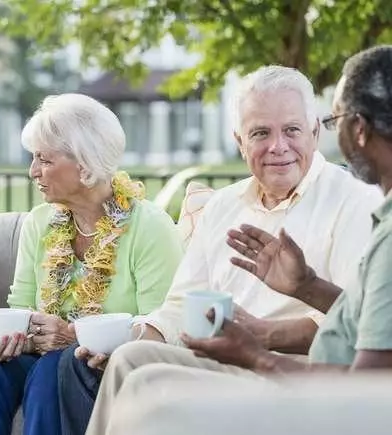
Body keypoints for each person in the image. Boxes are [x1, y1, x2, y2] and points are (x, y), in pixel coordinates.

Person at [86, 45, 392, 435]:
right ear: (239, 141)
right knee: (131, 356)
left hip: (303, 381)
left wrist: (259, 347)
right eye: (261, 133)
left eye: (295, 130)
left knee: (146, 383)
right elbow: (184, 304)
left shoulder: (361, 206)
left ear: (323, 131)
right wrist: (307, 286)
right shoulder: (224, 205)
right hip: (239, 360)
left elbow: (370, 388)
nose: (278, 146)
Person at [0, 93, 184, 435]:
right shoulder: (40, 223)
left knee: (54, 368)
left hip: (109, 364)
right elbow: (23, 306)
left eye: (44, 160)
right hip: (46, 359)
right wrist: (14, 338)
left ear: (85, 164)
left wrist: (75, 336)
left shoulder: (149, 226)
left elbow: (161, 324)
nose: (33, 171)